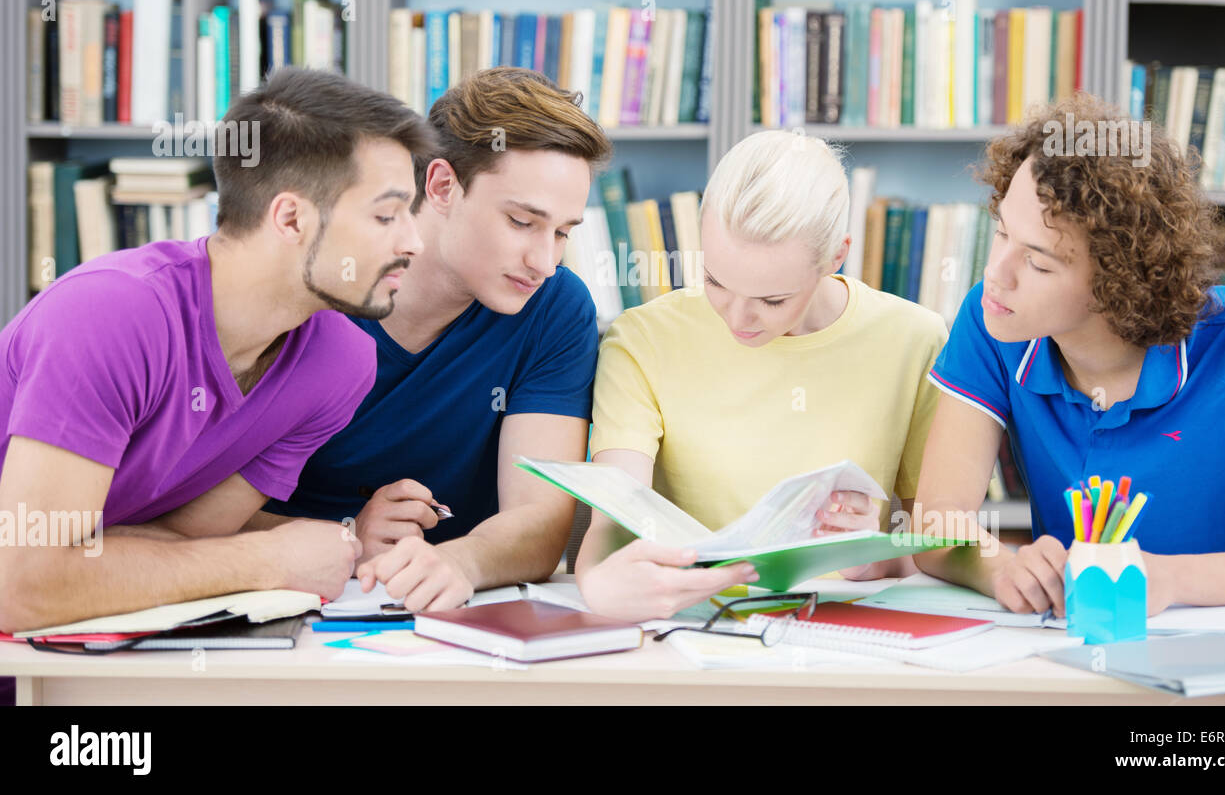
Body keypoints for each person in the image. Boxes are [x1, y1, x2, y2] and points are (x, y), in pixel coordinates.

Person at [0, 68, 433, 632]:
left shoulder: (340, 364)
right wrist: (271, 556)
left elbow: (185, 541)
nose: (414, 243)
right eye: (385, 216)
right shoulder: (109, 314)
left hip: (85, 646)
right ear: (291, 218)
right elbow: (23, 583)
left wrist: (91, 565)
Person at [912, 93, 1225, 616]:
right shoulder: (995, 320)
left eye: (1039, 263)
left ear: (1120, 283)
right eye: (1002, 231)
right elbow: (936, 523)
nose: (995, 274)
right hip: (1080, 655)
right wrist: (1000, 567)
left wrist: (1167, 578)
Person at [263, 67, 612, 613]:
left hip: (453, 615)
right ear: (443, 186)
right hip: (290, 605)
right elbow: (196, 520)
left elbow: (540, 524)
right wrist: (348, 535)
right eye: (523, 221)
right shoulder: (313, 294)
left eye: (564, 232)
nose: (546, 260)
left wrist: (460, 562)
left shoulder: (555, 308)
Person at [574, 129, 949, 622]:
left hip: (845, 636)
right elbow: (612, 524)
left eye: (773, 300)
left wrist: (874, 555)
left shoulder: (914, 340)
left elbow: (942, 543)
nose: (737, 319)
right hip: (690, 628)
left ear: (836, 256)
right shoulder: (643, 339)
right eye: (715, 280)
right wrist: (600, 581)